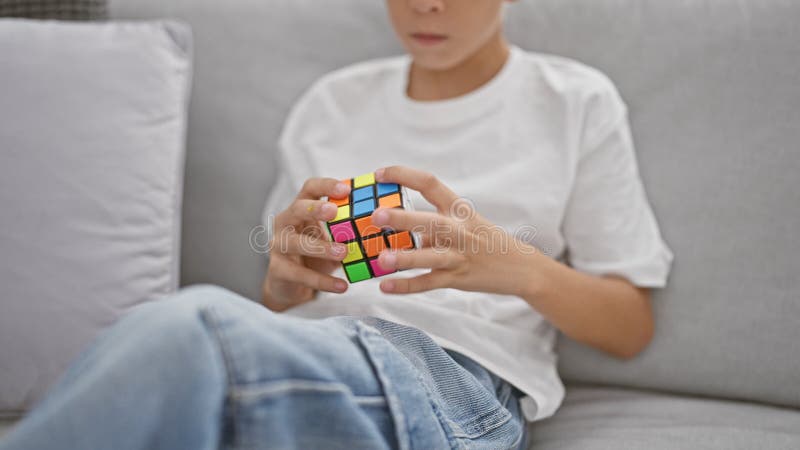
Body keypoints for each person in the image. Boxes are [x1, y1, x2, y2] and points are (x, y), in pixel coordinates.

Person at [1, 0, 674, 449]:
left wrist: (516, 265)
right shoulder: (332, 104)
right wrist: (287, 279)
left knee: (188, 329)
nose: (425, 4)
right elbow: (285, 296)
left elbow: (629, 326)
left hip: (454, 383)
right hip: (312, 351)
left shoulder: (572, 101)